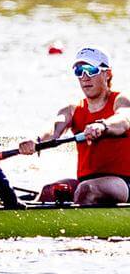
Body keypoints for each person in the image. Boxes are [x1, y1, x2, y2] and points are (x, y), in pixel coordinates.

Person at [18, 47, 130, 205]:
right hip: (85, 183)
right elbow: (53, 129)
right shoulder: (72, 109)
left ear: (107, 73)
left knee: (86, 190)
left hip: (122, 183)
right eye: (79, 71)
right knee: (49, 191)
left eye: (90, 70)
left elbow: (124, 120)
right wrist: (36, 140)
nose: (84, 77)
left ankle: (80, 229)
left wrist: (103, 126)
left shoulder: (121, 100)